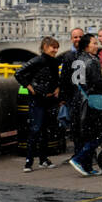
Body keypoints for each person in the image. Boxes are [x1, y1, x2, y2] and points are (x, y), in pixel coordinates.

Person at [66, 33, 102, 177]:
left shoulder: (77, 59)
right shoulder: (93, 61)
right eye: (93, 43)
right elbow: (97, 83)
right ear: (87, 46)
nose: (96, 45)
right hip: (89, 102)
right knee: (99, 134)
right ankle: (79, 159)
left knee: (82, 135)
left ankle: (86, 167)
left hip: (77, 100)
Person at [15, 36, 61, 172]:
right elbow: (18, 73)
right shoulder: (37, 60)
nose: (56, 50)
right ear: (45, 47)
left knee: (45, 129)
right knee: (36, 129)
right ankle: (29, 161)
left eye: (57, 47)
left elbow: (55, 79)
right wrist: (30, 87)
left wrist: (57, 88)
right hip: (38, 100)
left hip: (49, 99)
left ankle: (43, 159)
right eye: (53, 47)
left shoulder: (53, 62)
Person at [57, 26, 86, 146]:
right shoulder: (68, 56)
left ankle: (86, 153)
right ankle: (78, 152)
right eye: (75, 37)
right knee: (75, 126)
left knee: (87, 125)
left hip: (87, 96)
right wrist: (62, 98)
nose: (78, 39)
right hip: (73, 97)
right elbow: (64, 78)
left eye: (80, 37)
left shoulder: (89, 54)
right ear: (71, 39)